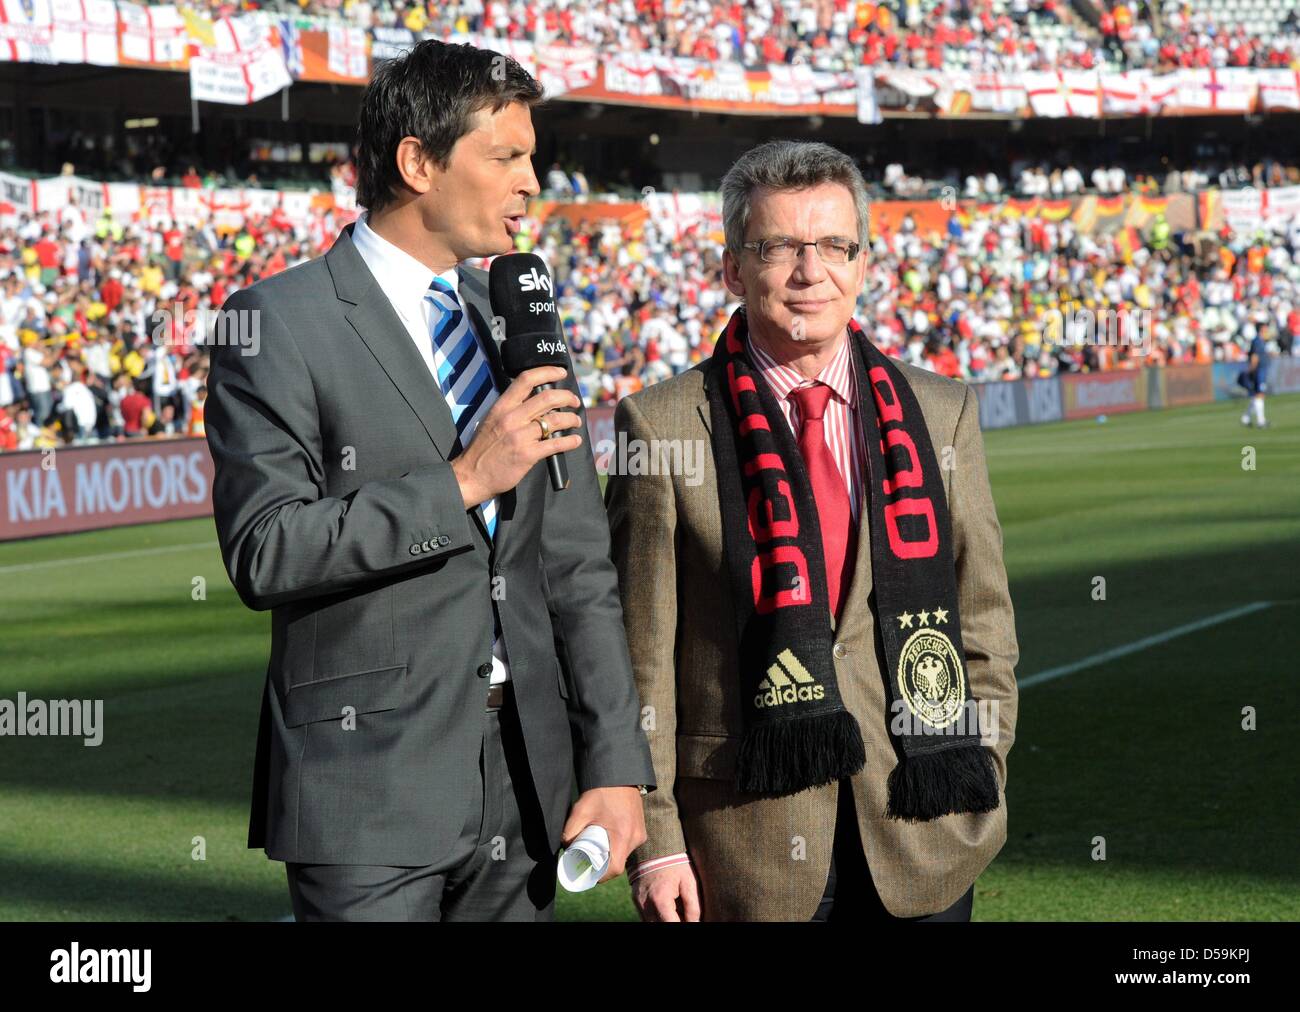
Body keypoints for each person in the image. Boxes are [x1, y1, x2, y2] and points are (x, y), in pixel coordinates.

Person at [205, 39, 654, 923]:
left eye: (532, 157)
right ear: (417, 162)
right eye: (507, 157)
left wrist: (613, 763)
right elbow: (266, 551)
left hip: (528, 780)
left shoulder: (521, 318)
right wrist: (463, 482)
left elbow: (577, 567)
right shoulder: (275, 322)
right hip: (365, 784)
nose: (533, 181)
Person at [606, 140, 1019, 922]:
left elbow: (986, 619)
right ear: (734, 269)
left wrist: (984, 769)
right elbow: (637, 660)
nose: (810, 271)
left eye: (835, 245)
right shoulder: (659, 426)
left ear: (863, 264)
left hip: (923, 829)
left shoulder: (942, 411)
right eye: (780, 248)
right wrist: (655, 840)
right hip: (744, 848)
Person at [1239, 329, 1271, 427]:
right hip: (1258, 371)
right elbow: (1254, 356)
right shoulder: (1257, 341)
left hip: (1261, 371)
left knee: (1257, 395)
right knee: (1259, 394)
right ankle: (1261, 421)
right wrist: (1251, 370)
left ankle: (1246, 417)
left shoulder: (1261, 341)